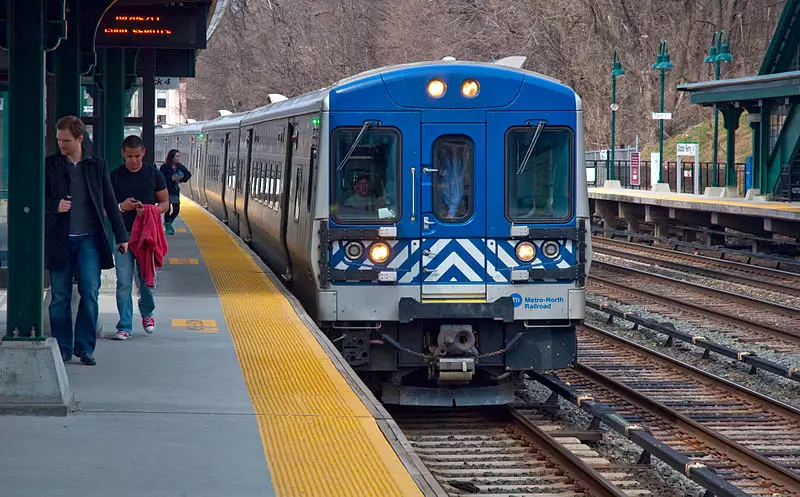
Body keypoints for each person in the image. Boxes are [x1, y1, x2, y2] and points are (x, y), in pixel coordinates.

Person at [45, 115, 129, 366]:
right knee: (59, 296)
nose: (61, 144)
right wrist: (55, 205)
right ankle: (62, 348)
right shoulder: (50, 165)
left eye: (66, 140)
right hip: (60, 238)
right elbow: (37, 197)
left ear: (80, 139)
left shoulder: (96, 166)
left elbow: (109, 201)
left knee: (90, 292)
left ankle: (84, 347)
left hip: (88, 240)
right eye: (59, 139)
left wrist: (121, 236)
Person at [110, 135, 169, 340]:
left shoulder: (154, 174)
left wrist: (151, 210)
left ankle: (147, 312)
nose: (133, 160)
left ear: (143, 152)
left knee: (147, 281)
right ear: (122, 154)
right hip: (123, 236)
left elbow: (165, 203)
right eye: (129, 156)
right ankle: (125, 325)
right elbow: (106, 207)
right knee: (124, 281)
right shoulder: (115, 176)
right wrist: (122, 207)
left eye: (137, 156)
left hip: (147, 237)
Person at [159, 149, 191, 235]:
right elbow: (160, 178)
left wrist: (181, 179)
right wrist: (171, 178)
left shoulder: (180, 166)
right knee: (167, 209)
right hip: (165, 190)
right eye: (176, 156)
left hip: (174, 190)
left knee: (176, 209)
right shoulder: (164, 167)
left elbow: (188, 174)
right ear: (171, 157)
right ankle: (168, 227)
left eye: (179, 156)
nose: (178, 158)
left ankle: (168, 223)